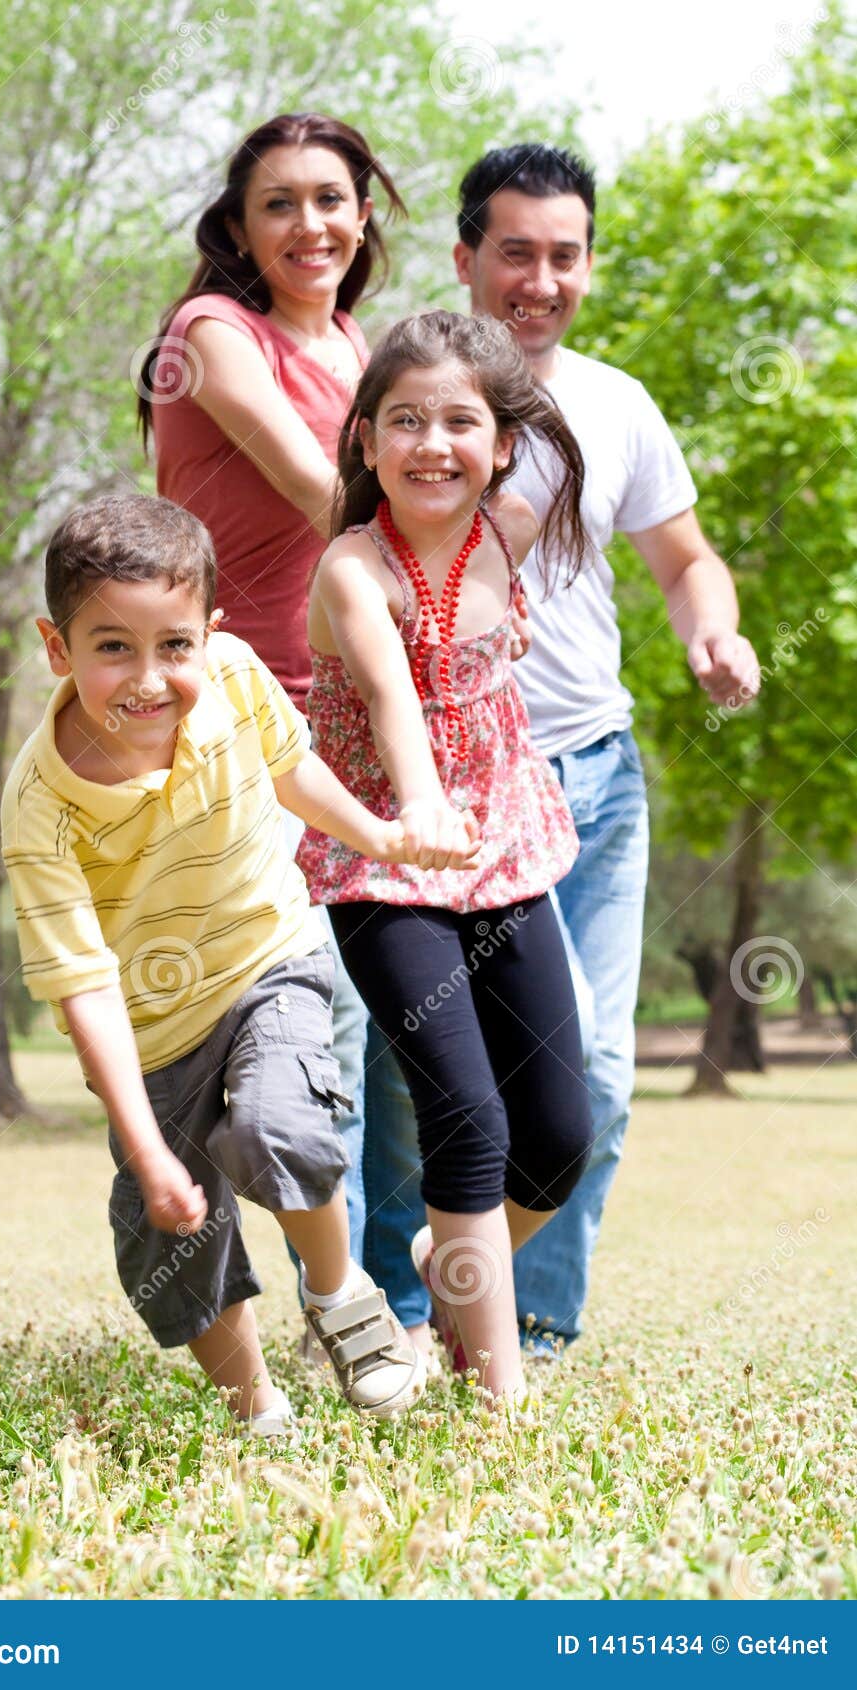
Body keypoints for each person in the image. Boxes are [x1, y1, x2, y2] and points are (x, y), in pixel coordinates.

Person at [363, 144, 761, 1357]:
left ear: (586, 262)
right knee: (408, 1075)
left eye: (564, 254)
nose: (540, 278)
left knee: (588, 1065)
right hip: (435, 789)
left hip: (585, 774)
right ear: (465, 258)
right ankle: (392, 1318)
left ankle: (523, 1319)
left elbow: (685, 560)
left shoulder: (616, 404)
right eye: (515, 252)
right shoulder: (402, 396)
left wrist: (716, 632)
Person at [0, 495, 473, 1430]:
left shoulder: (236, 676)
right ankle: (258, 1414)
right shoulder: (40, 805)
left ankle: (341, 1302)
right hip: (146, 1029)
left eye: (174, 646)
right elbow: (83, 986)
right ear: (57, 649)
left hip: (270, 958)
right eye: (111, 648)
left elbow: (288, 767)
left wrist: (379, 833)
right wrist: (145, 1149)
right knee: (166, 1234)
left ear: (209, 635)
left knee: (279, 1125)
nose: (149, 677)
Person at [296, 311, 594, 1399]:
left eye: (460, 421)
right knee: (467, 1117)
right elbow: (387, 700)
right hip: (386, 860)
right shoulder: (350, 566)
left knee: (559, 1133)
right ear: (365, 441)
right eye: (405, 421)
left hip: (505, 854)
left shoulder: (510, 530)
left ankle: (446, 1256)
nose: (433, 443)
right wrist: (417, 803)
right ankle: (495, 1400)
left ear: (502, 441)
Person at [135, 113, 407, 1265]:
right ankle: (279, 1297)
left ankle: (384, 1293)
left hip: (346, 714)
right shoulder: (209, 330)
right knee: (283, 1011)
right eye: (280, 203)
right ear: (240, 227)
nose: (312, 224)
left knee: (383, 1018)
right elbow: (318, 484)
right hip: (230, 723)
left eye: (332, 199)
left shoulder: (358, 343)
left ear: (363, 213)